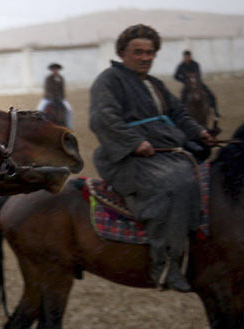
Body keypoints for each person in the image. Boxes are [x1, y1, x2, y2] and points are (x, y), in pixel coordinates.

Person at [89, 24, 213, 293]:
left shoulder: (155, 84)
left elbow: (179, 114)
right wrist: (134, 143)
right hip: (126, 157)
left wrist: (199, 132)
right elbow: (103, 119)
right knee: (176, 184)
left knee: (205, 178)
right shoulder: (109, 80)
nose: (145, 57)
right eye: (138, 52)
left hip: (162, 151)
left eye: (150, 52)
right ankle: (165, 266)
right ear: (122, 53)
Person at [36, 63, 73, 127]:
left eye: (56, 69)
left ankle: (69, 126)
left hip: (60, 99)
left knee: (69, 110)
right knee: (39, 109)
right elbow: (48, 90)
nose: (55, 71)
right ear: (52, 70)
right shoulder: (48, 78)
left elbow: (62, 90)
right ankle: (40, 125)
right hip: (48, 98)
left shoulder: (61, 78)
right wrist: (53, 98)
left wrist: (61, 98)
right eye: (54, 69)